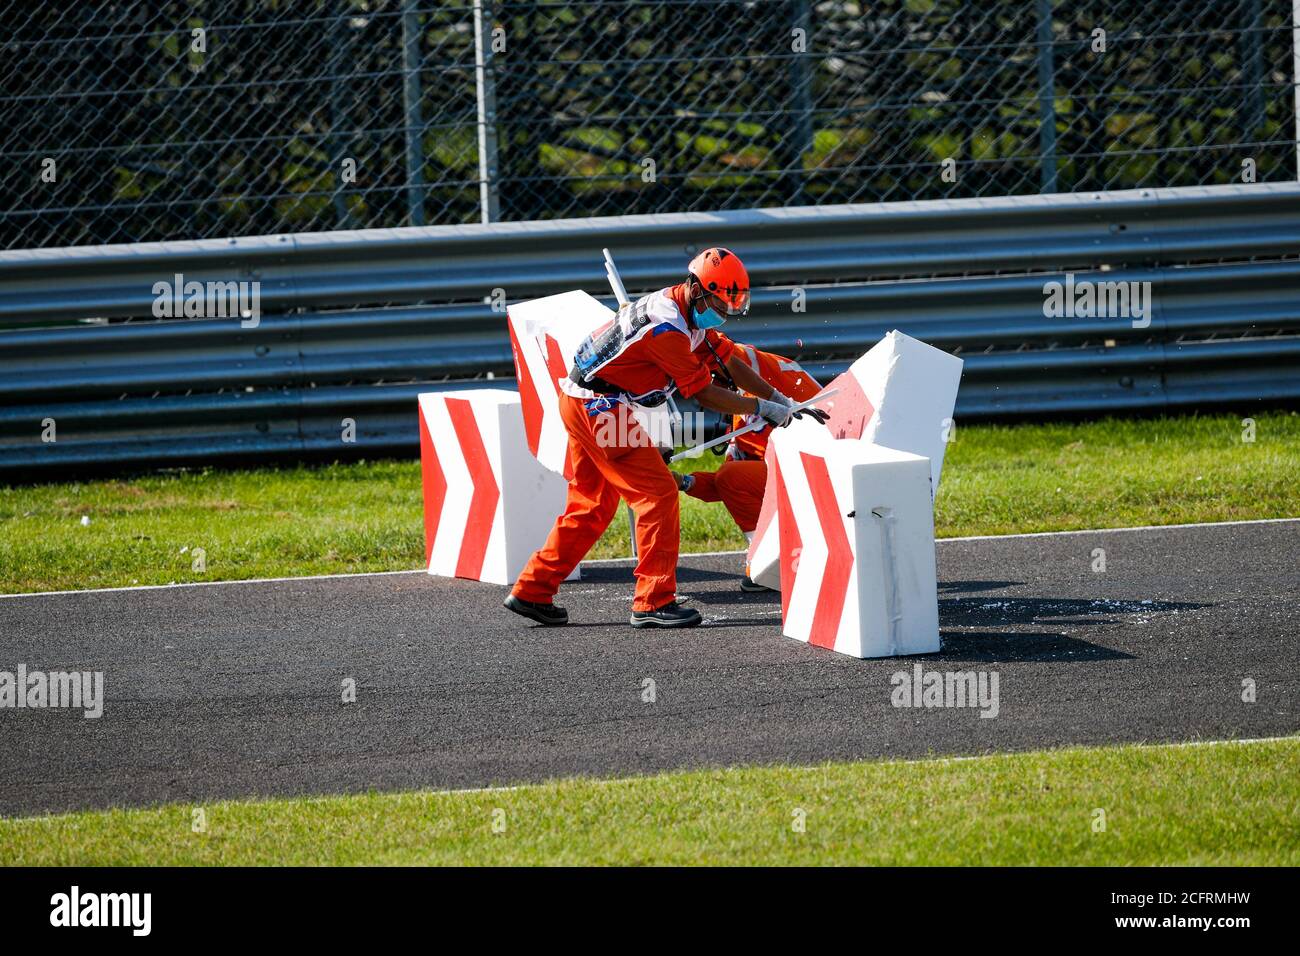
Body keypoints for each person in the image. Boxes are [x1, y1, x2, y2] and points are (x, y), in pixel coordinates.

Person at [504, 247, 802, 629]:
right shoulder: (667, 329)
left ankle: (533, 589)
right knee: (658, 495)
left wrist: (779, 398)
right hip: (601, 409)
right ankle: (653, 601)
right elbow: (703, 393)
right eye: (719, 303)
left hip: (582, 401)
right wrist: (762, 409)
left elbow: (730, 363)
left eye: (731, 306)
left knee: (593, 505)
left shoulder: (687, 315)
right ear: (697, 290)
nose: (724, 314)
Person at [677, 341, 825, 590]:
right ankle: (776, 555)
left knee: (734, 476)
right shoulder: (742, 401)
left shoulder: (774, 374)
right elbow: (728, 484)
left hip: (820, 474)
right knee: (733, 475)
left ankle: (778, 561)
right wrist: (684, 482)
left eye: (705, 382)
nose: (703, 396)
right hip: (795, 476)